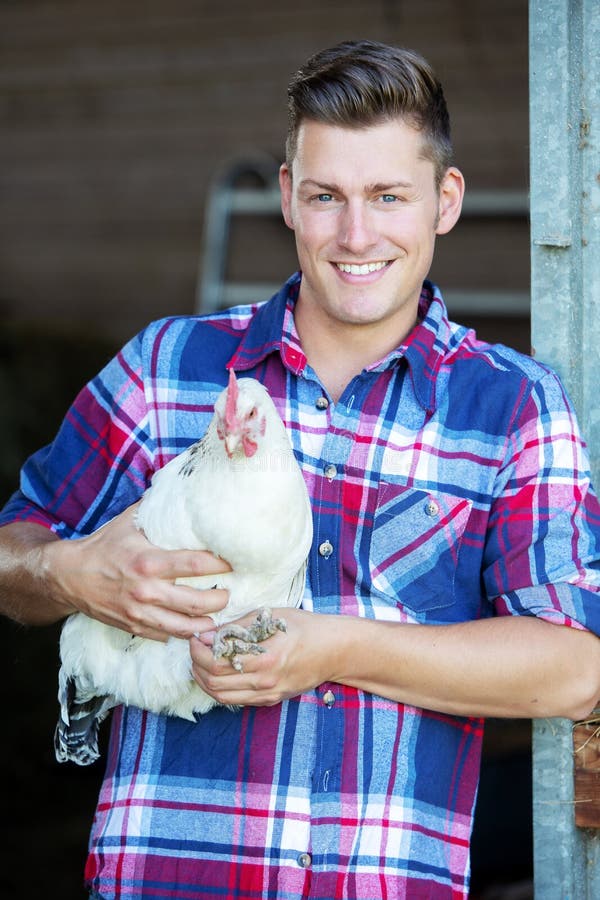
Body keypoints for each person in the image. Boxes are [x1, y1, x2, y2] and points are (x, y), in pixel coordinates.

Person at [1, 38, 600, 900]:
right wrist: (71, 571)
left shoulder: (512, 408)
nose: (356, 236)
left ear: (445, 200)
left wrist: (332, 649)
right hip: (167, 878)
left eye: (388, 196)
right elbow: (10, 554)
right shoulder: (165, 370)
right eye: (327, 197)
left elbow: (575, 665)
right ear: (287, 197)